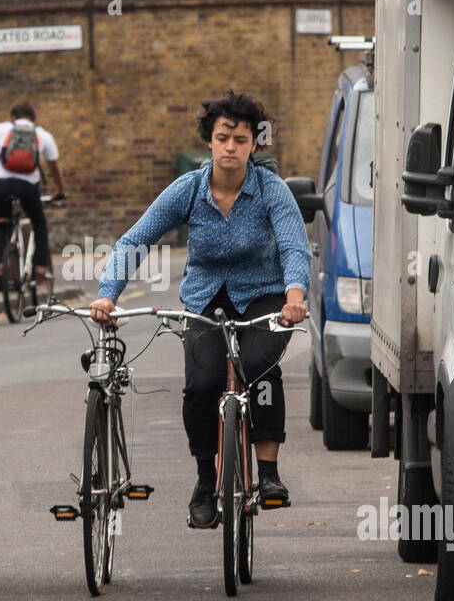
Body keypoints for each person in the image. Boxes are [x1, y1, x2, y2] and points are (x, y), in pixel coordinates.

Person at [90, 90, 310, 528]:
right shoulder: (188, 190)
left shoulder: (272, 190)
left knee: (259, 365)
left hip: (265, 295)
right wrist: (108, 294)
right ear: (209, 141)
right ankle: (205, 479)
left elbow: (293, 244)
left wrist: (294, 296)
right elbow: (135, 241)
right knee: (203, 382)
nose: (231, 146)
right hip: (206, 298)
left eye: (241, 139)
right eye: (223, 137)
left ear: (253, 145)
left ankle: (267, 474)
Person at [0, 102, 66, 286]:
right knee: (39, 223)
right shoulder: (42, 135)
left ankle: (0, 265)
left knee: (2, 224)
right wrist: (60, 190)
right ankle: (39, 269)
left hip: (0, 186)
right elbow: (54, 166)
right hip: (28, 187)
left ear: (13, 117)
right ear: (33, 119)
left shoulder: (1, 129)